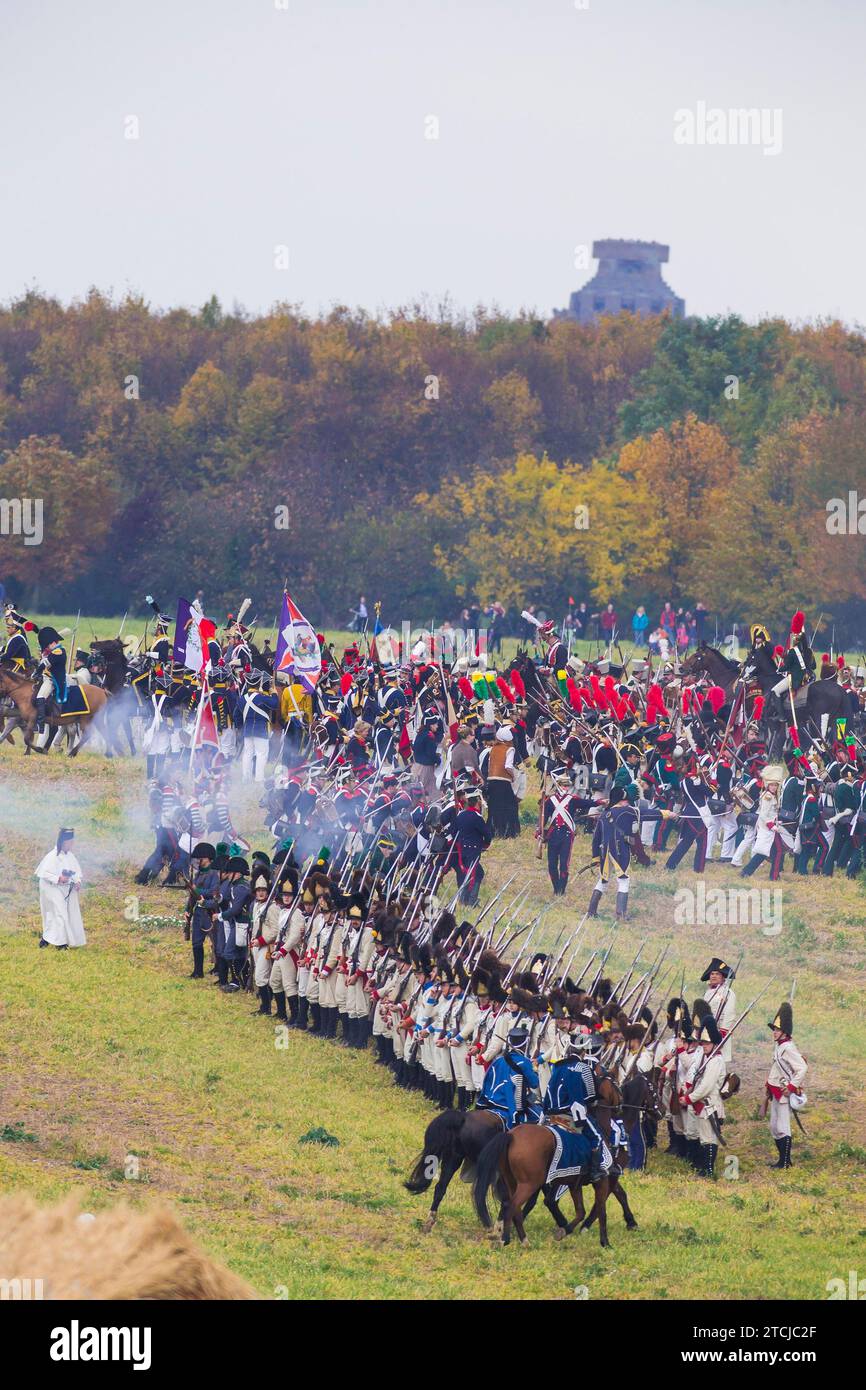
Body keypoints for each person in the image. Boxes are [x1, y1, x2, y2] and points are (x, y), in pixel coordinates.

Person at [764, 999, 807, 1170]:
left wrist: (790, 1087)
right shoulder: (780, 1046)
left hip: (783, 1092)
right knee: (775, 1127)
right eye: (774, 1029)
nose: (774, 1032)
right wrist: (769, 1083)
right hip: (776, 1090)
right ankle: (782, 1160)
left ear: (785, 1032)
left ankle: (785, 1162)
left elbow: (802, 1068)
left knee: (782, 1127)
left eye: (778, 1029)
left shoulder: (788, 1047)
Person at [35, 828, 86, 948]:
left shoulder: (71, 857)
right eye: (70, 842)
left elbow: (76, 873)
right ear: (64, 842)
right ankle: (61, 944)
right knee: (59, 912)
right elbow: (44, 873)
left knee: (61, 914)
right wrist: (58, 878)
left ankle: (46, 939)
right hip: (50, 888)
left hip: (64, 889)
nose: (72, 844)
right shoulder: (52, 856)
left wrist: (77, 881)